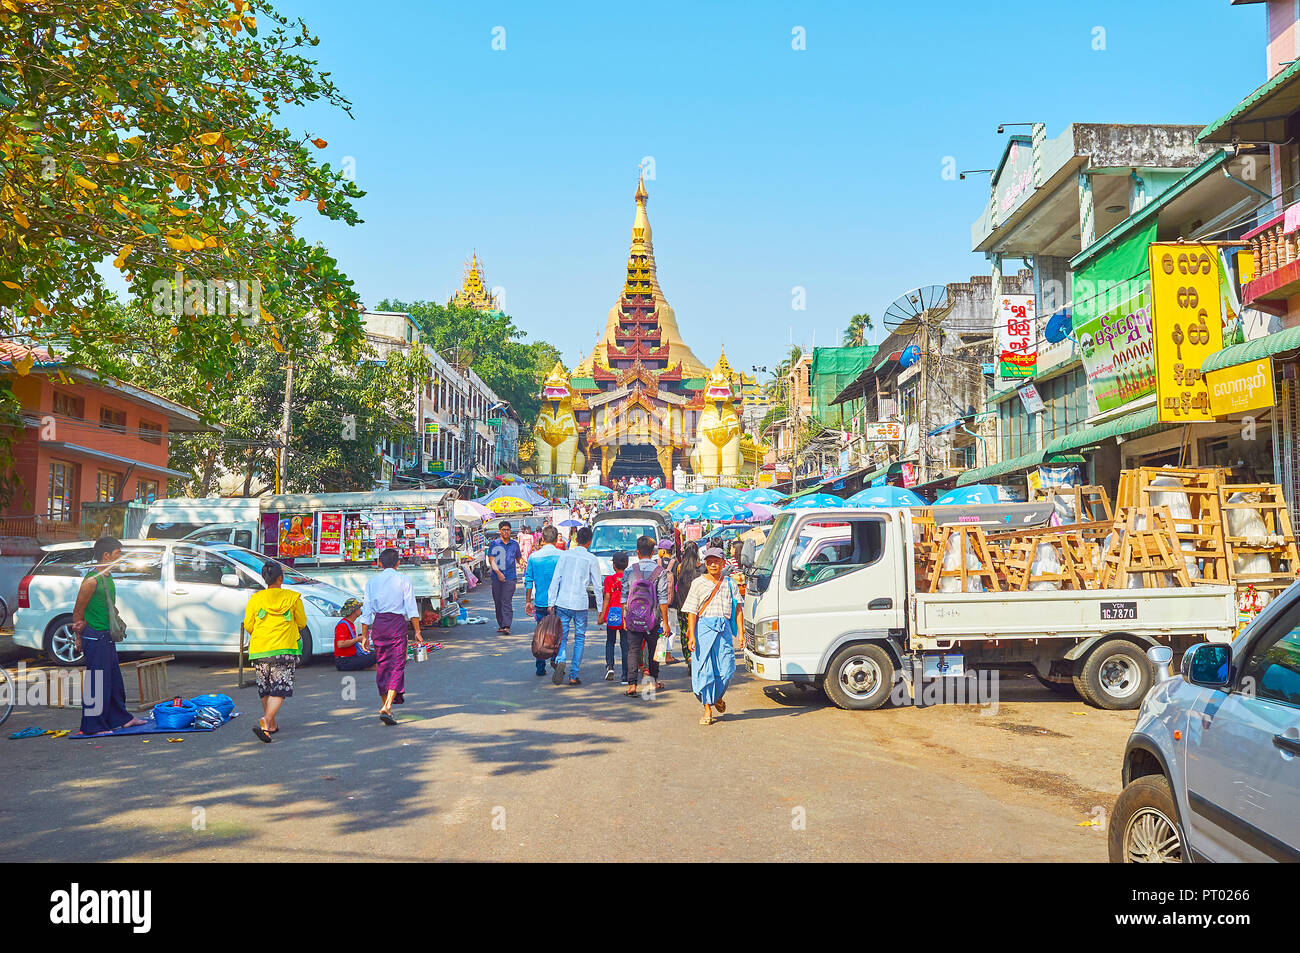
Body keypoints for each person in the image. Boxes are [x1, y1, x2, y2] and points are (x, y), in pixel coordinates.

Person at [72, 537, 147, 736]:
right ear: (106, 555)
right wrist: (79, 637)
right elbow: (78, 611)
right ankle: (92, 727)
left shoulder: (107, 576)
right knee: (97, 683)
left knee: (114, 680)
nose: (120, 558)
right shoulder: (91, 581)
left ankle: (122, 719)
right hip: (94, 636)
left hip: (106, 635)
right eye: (117, 554)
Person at [242, 560, 308, 742]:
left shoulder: (255, 599)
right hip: (284, 648)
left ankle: (270, 725)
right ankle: (266, 720)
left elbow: (249, 625)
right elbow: (302, 623)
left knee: (265, 689)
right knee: (279, 688)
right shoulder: (293, 597)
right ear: (281, 578)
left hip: (260, 649)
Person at [359, 548, 424, 725]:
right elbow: (411, 609)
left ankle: (385, 705)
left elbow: (366, 611)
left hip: (379, 625)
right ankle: (387, 706)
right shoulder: (403, 579)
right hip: (396, 625)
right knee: (397, 665)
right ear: (398, 563)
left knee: (382, 665)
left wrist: (364, 635)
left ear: (380, 563)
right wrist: (417, 631)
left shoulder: (372, 582)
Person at [683, 546, 743, 726]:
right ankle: (707, 708)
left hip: (723, 630)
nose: (713, 564)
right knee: (705, 671)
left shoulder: (730, 583)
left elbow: (738, 609)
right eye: (709, 561)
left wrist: (740, 633)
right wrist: (691, 635)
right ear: (705, 563)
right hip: (703, 630)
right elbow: (692, 612)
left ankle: (717, 697)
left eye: (716, 561)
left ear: (723, 563)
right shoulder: (698, 583)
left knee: (726, 669)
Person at [546, 524, 604, 686]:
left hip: (562, 602)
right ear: (590, 542)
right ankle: (573, 675)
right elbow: (598, 586)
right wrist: (600, 609)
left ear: (576, 540)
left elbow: (556, 579)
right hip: (580, 604)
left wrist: (551, 602)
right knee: (579, 638)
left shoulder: (565, 555)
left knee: (562, 635)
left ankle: (561, 658)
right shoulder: (591, 559)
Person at [622, 535, 671, 697]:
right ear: (653, 552)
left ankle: (632, 685)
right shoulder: (660, 572)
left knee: (633, 650)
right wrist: (666, 622)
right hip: (653, 619)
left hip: (633, 618)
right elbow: (663, 599)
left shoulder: (630, 570)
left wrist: (625, 617)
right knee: (653, 650)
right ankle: (653, 681)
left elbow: (624, 597)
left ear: (637, 552)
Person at [523, 525, 563, 676]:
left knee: (541, 633)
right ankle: (556, 659)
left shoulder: (533, 557)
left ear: (543, 539)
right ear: (555, 539)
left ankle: (540, 667)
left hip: (540, 601)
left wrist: (528, 601)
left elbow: (528, 580)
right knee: (557, 632)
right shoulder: (562, 556)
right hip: (558, 602)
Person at [671, 542, 702, 670]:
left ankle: (688, 656)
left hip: (682, 605)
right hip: (697, 607)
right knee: (697, 631)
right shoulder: (701, 569)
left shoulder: (679, 568)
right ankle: (696, 656)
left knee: (684, 632)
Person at [487, 521, 523, 634]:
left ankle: (507, 625)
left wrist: (522, 563)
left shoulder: (514, 544)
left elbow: (518, 557)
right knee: (498, 601)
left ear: (511, 531)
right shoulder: (494, 544)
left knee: (506, 600)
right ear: (500, 531)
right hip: (496, 577)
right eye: (503, 529)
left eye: (508, 529)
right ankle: (501, 624)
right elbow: (491, 560)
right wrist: (498, 573)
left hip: (510, 577)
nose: (506, 532)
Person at [599, 551, 629, 682]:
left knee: (610, 641)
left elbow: (607, 597)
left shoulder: (609, 579)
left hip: (612, 614)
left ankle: (610, 666)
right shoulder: (630, 578)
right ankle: (625, 675)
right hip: (625, 615)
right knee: (625, 644)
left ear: (614, 566)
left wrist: (601, 615)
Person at [656, 538, 681, 664]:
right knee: (671, 627)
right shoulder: (675, 564)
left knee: (660, 628)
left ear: (663, 550)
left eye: (659, 549)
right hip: (672, 602)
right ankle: (668, 654)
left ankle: (660, 653)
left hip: (658, 603)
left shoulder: (656, 563)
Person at [334, 597, 376, 671]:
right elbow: (340, 644)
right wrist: (357, 639)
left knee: (375, 654)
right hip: (345, 660)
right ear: (354, 610)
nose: (360, 609)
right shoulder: (343, 625)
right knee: (376, 656)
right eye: (359, 608)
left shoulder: (350, 624)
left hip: (351, 657)